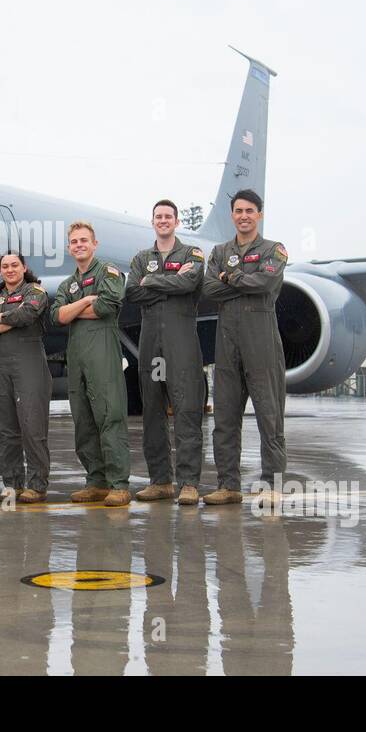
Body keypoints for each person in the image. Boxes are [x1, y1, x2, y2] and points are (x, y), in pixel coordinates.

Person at [201, 189, 288, 506]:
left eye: (250, 210)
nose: (244, 216)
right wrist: (240, 279)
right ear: (232, 215)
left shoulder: (273, 250)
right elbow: (209, 288)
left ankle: (274, 484)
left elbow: (265, 283)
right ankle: (228, 485)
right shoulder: (220, 251)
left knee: (269, 415)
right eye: (238, 211)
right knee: (224, 417)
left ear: (259, 214)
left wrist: (231, 276)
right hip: (227, 343)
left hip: (261, 340)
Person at [127, 199, 207, 505]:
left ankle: (188, 483)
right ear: (152, 222)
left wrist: (153, 281)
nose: (163, 221)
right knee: (153, 410)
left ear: (176, 222)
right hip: (151, 343)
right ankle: (160, 480)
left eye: (168, 217)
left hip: (181, 341)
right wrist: (170, 282)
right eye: (158, 217)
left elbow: (190, 282)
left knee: (186, 410)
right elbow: (132, 290)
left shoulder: (192, 254)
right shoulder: (141, 257)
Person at [49, 221, 131, 507]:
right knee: (83, 421)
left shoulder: (108, 273)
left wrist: (74, 309)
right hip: (78, 356)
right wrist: (86, 303)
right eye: (74, 241)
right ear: (69, 247)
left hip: (103, 353)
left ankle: (118, 483)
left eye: (84, 240)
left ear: (94, 244)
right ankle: (95, 481)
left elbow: (107, 306)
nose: (79, 245)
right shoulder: (66, 284)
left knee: (110, 416)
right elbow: (57, 316)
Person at [0, 252, 52, 503]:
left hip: (29, 364)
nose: (9, 270)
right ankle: (11, 484)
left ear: (24, 267)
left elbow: (27, 314)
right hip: (0, 366)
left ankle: (37, 485)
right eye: (5, 266)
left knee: (32, 427)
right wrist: (8, 320)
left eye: (14, 265)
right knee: (6, 430)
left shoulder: (36, 292)